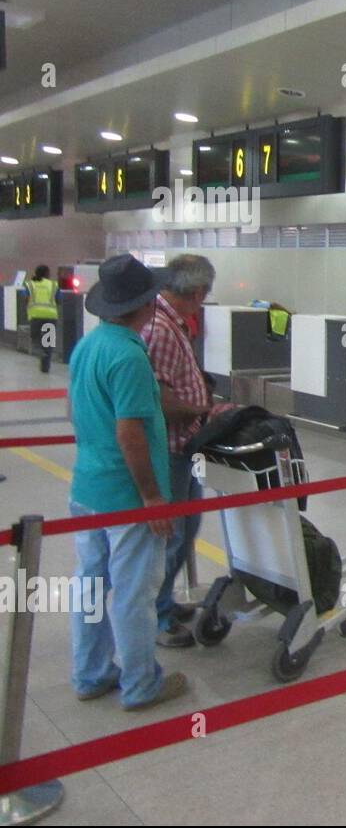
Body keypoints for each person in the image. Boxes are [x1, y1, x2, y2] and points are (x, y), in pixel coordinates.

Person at [68, 255, 187, 711]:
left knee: (91, 584)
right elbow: (130, 431)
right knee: (135, 592)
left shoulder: (89, 345)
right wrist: (152, 496)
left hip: (87, 487)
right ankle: (141, 685)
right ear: (147, 302)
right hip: (126, 495)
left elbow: (75, 415)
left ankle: (91, 673)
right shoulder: (129, 355)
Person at [141, 255, 217, 649]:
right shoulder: (161, 328)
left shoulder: (168, 321)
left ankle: (166, 601)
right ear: (197, 291)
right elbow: (157, 396)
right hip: (171, 450)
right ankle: (158, 616)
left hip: (184, 448)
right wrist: (202, 410)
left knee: (186, 529)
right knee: (171, 536)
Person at [24, 264, 60, 373]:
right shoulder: (54, 285)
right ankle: (45, 367)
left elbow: (25, 298)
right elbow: (58, 300)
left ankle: (39, 351)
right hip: (51, 316)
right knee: (48, 342)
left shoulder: (30, 284)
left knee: (35, 338)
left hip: (35, 316)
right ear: (47, 273)